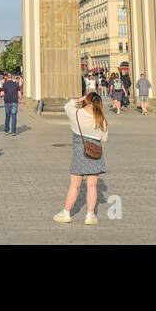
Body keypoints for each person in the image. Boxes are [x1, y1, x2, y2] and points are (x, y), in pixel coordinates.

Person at [53, 91, 108, 225]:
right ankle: (90, 216)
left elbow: (67, 106)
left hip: (79, 152)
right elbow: (104, 138)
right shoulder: (101, 119)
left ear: (86, 100)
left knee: (75, 186)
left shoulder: (76, 114)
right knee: (92, 185)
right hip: (95, 153)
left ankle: (66, 213)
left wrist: (79, 99)